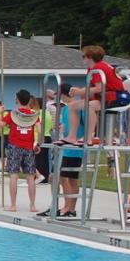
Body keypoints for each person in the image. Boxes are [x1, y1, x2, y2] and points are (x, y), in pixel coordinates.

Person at [41, 84, 85, 218]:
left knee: (66, 177)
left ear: (64, 95)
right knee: (63, 177)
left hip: (74, 149)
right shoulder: (66, 109)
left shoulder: (78, 108)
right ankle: (68, 207)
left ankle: (68, 207)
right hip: (65, 147)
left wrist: (83, 139)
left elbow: (88, 125)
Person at [82, 44, 130, 144]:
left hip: (118, 97)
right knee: (74, 106)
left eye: (84, 56)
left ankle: (89, 136)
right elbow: (92, 89)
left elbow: (99, 88)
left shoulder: (99, 68)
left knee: (90, 106)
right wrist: (81, 92)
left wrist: (81, 92)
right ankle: (72, 136)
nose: (83, 58)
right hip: (107, 96)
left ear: (90, 57)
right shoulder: (92, 69)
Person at [2, 89, 40, 213]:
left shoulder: (13, 115)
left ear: (17, 100)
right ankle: (32, 205)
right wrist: (36, 143)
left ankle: (13, 205)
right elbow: (39, 130)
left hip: (14, 146)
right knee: (30, 177)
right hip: (28, 147)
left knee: (14, 175)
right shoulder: (34, 115)